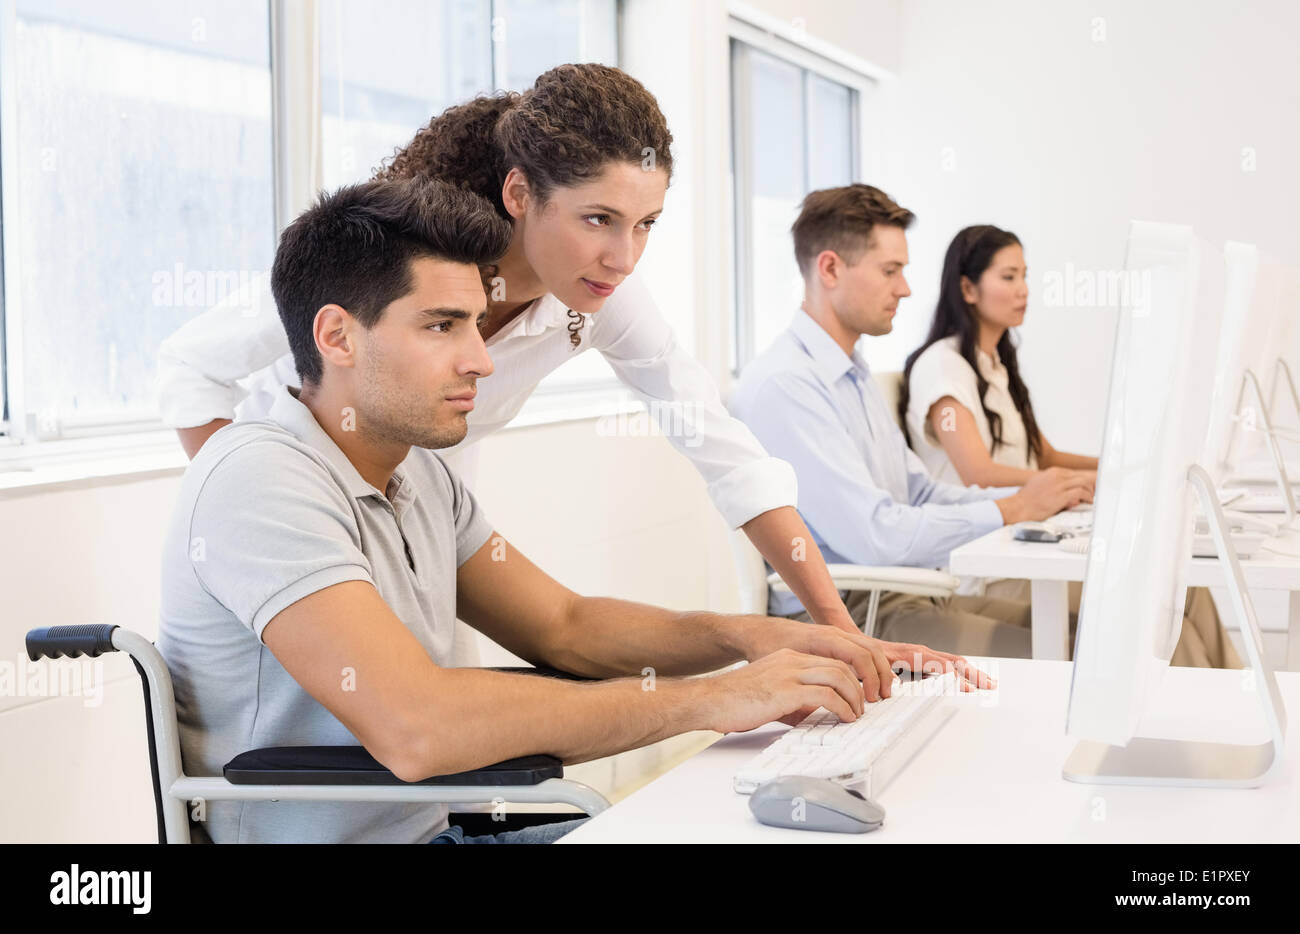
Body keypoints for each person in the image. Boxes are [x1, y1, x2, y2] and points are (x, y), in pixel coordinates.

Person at [158, 177, 992, 844]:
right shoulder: (261, 477)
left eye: (478, 324)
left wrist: (756, 639)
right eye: (443, 326)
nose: (482, 360)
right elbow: (415, 726)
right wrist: (712, 701)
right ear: (337, 337)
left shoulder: (416, 475)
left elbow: (564, 624)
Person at [157, 63, 866, 642]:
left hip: (425, 526)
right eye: (598, 219)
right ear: (520, 192)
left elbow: (724, 451)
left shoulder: (601, 295)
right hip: (296, 524)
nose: (623, 257)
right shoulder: (388, 258)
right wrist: (267, 503)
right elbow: (191, 365)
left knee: (444, 746)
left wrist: (836, 629)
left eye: (646, 224)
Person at [729, 185, 1095, 657]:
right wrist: (1012, 510)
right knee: (1072, 655)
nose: (905, 287)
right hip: (849, 619)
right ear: (831, 268)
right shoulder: (787, 386)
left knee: (1101, 630)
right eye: (890, 270)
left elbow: (919, 492)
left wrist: (1031, 498)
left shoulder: (852, 374)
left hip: (903, 593)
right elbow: (876, 537)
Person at [899, 224, 1241, 668]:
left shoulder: (995, 365)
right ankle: (1221, 718)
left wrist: (1128, 466)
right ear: (967, 288)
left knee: (1182, 589)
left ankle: (1245, 710)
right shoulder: (943, 368)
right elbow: (977, 473)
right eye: (1008, 277)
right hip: (989, 567)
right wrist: (1072, 481)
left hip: (1025, 546)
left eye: (1025, 276)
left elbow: (1044, 455)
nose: (1023, 290)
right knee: (1159, 594)